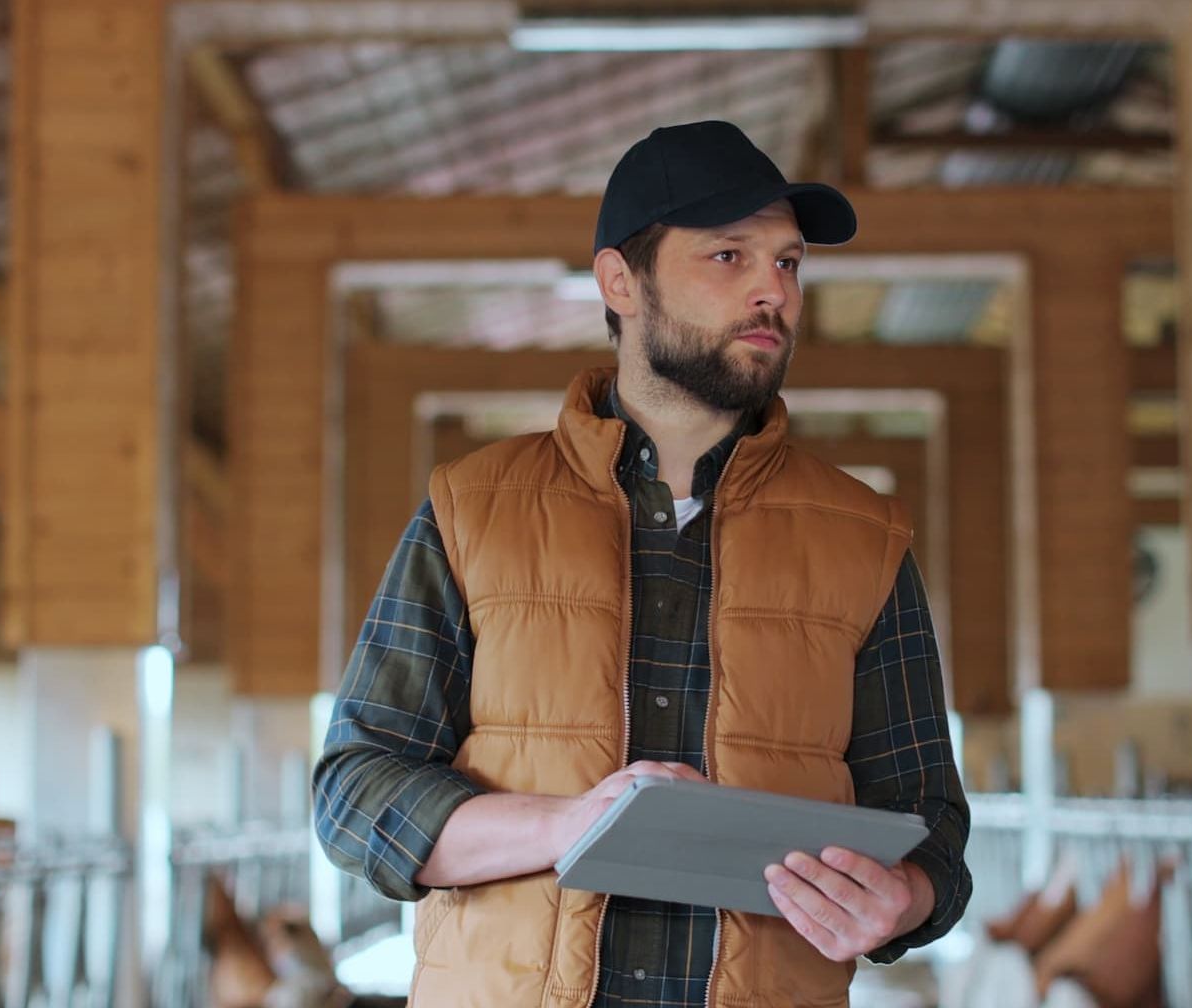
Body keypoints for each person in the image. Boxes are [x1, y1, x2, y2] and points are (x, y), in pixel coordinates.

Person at [314, 119, 971, 1008]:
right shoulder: (473, 510)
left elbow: (931, 824)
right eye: (728, 257)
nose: (771, 290)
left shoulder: (864, 537)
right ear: (621, 281)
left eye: (788, 263)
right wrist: (569, 826)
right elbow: (356, 791)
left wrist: (905, 899)